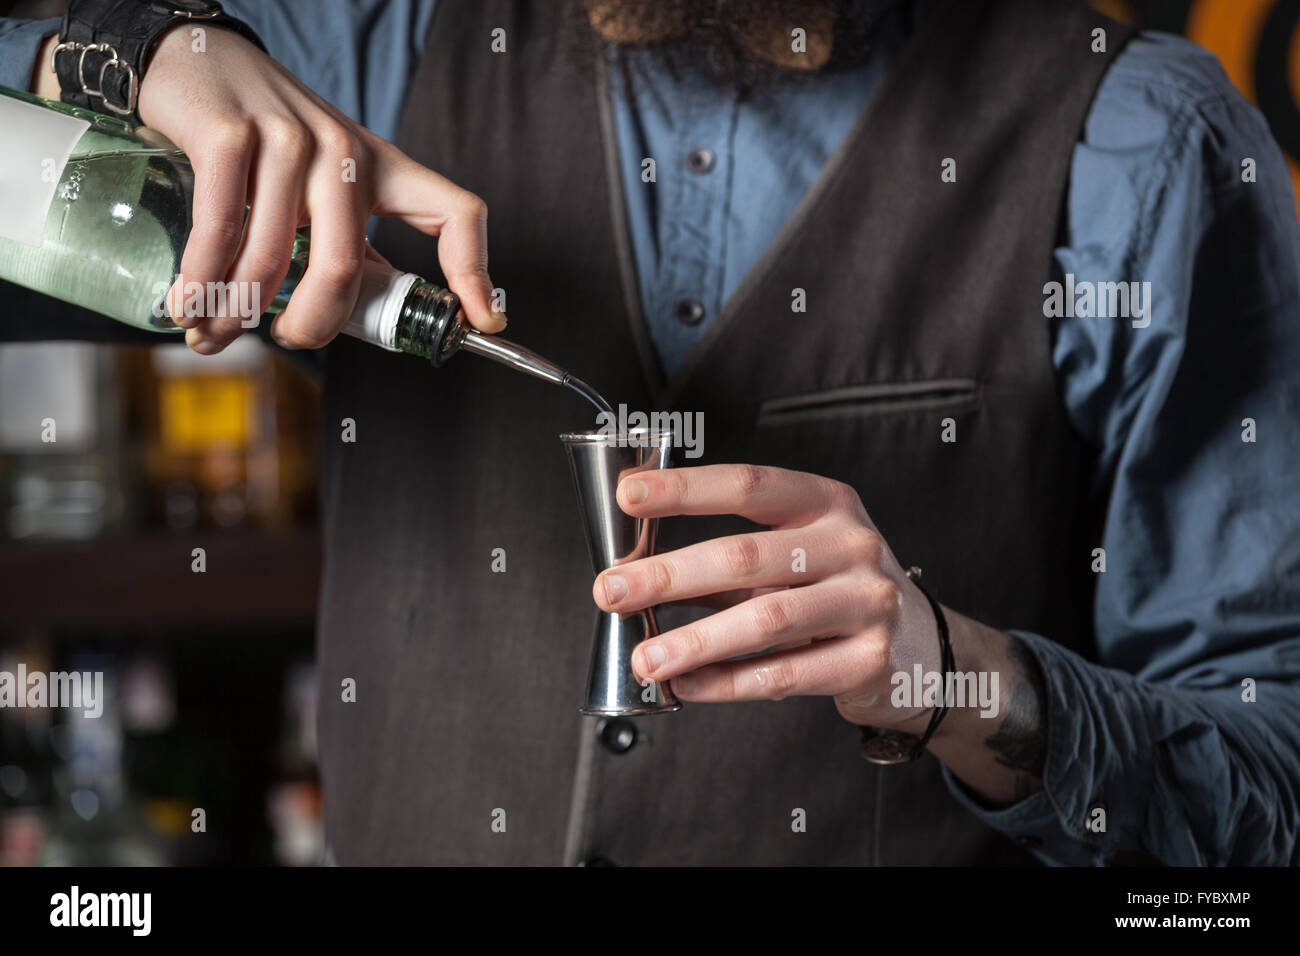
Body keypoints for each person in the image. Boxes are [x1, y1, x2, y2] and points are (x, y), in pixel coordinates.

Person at [1, 0, 1298, 865]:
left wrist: (962, 680)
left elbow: (1270, 780)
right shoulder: (366, 38)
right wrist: (115, 51)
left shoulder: (1144, 151)